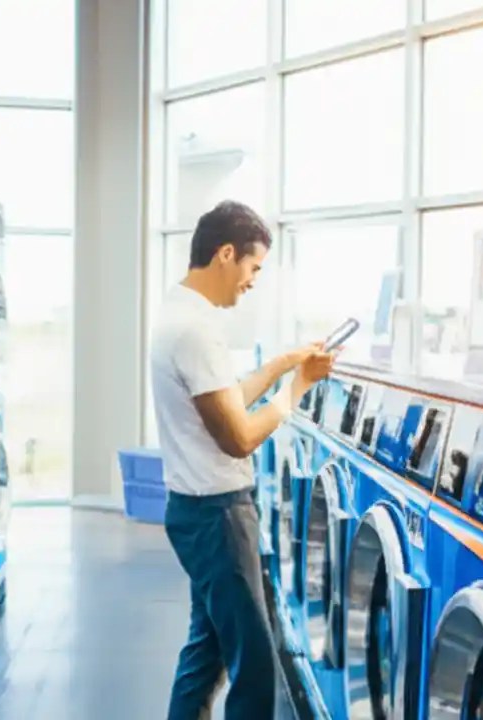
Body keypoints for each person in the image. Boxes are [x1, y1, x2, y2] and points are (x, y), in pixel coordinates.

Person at [149, 200, 337, 719]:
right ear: (226, 254)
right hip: (218, 516)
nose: (253, 281)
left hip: (196, 510)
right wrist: (296, 390)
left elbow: (224, 397)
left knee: (205, 653)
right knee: (254, 663)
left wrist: (280, 365)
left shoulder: (180, 313)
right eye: (253, 267)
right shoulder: (196, 331)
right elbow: (239, 437)